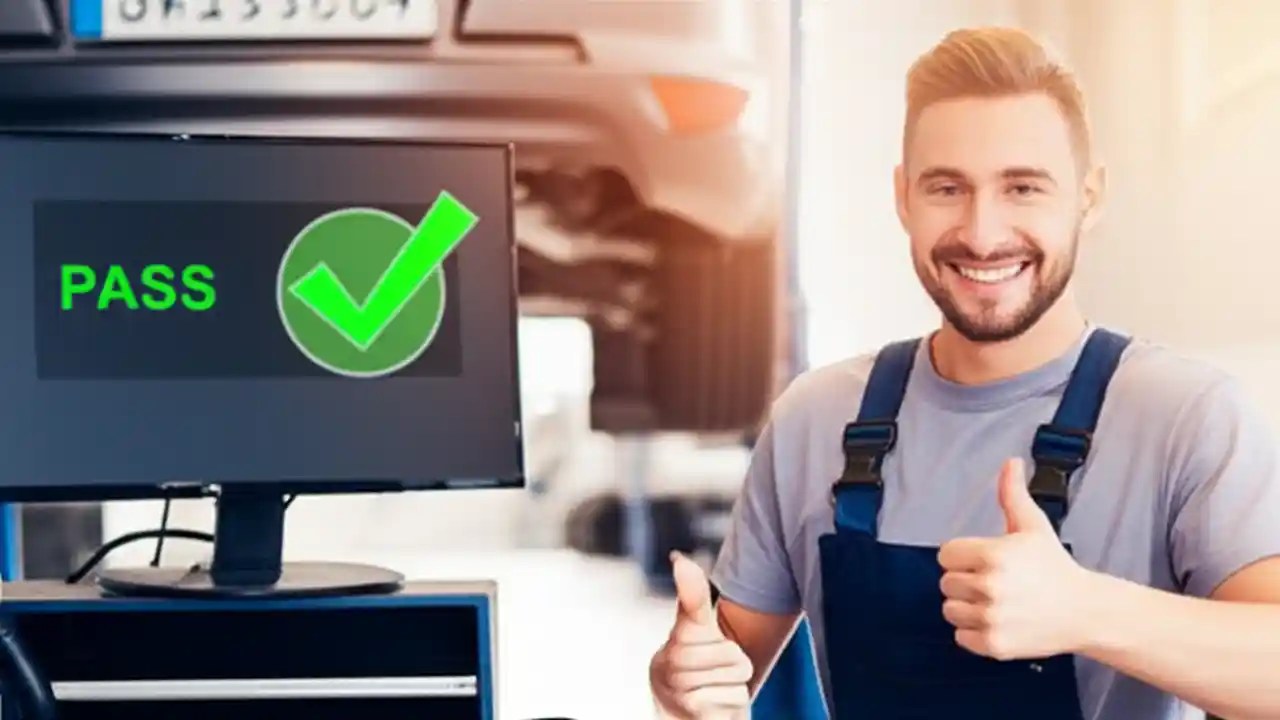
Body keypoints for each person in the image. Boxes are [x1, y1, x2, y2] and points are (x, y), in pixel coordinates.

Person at [647, 25, 1280, 720]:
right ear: (903, 197)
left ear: (1089, 198)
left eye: (1023, 188)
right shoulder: (815, 419)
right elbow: (724, 669)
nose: (982, 233)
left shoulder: (1187, 416)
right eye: (948, 188)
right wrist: (683, 678)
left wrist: (1088, 610)